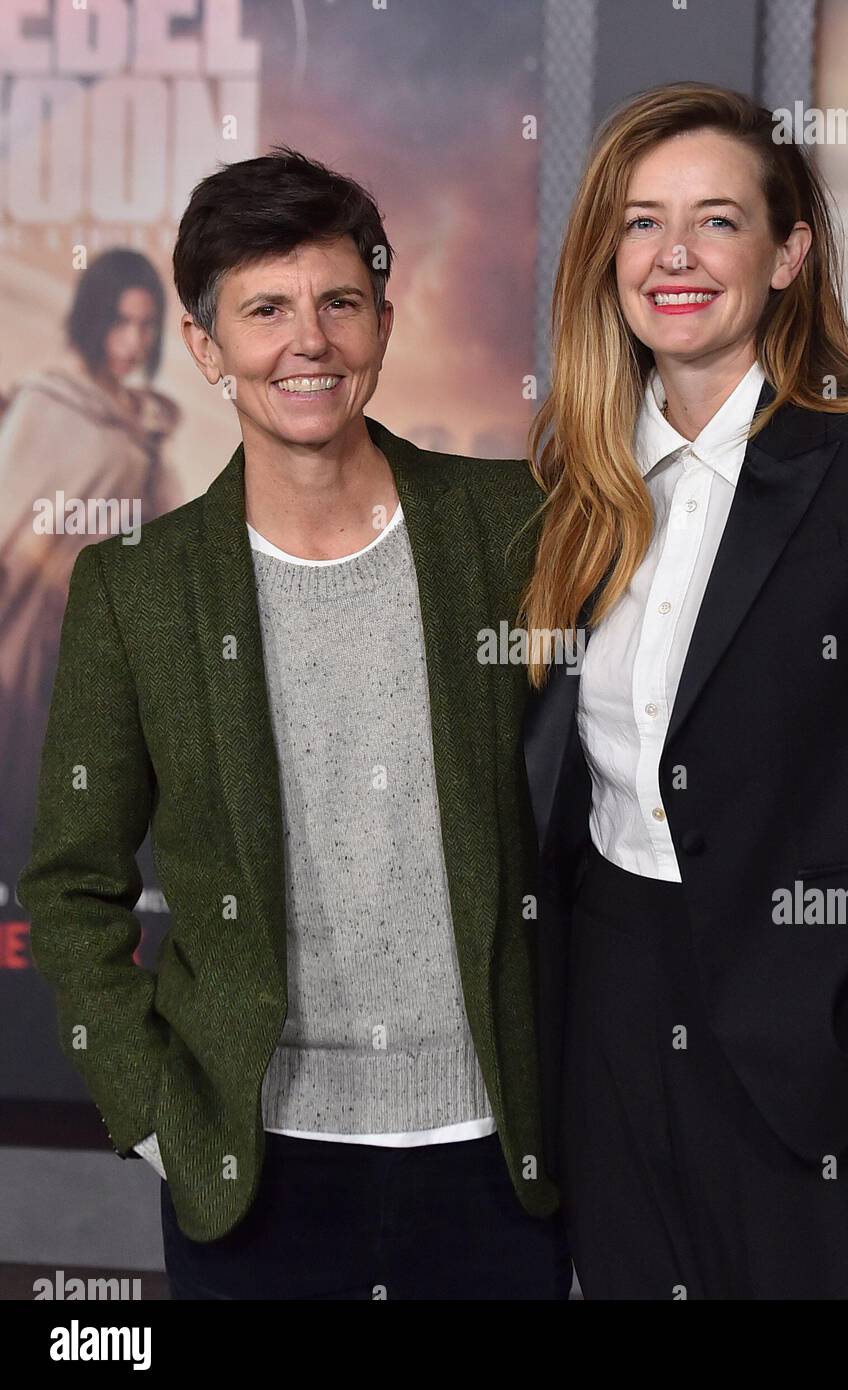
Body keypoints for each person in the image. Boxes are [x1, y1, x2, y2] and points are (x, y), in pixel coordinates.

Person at [519, 82, 848, 1300]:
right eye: (641, 220)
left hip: (820, 1037)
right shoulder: (580, 472)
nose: (674, 256)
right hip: (609, 1022)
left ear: (787, 254)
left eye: (716, 221)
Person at [18, 146, 570, 1300]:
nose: (306, 342)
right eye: (265, 309)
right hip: (251, 1167)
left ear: (381, 316)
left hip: (491, 1155)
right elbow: (71, 890)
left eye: (337, 302)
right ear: (206, 344)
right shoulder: (139, 590)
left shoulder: (507, 527)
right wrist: (160, 1117)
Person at [0, 249, 182, 878]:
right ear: (92, 319)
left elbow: (165, 531)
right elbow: (8, 520)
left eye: (147, 325)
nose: (133, 342)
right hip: (32, 634)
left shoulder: (142, 425)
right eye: (120, 322)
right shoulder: (48, 403)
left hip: (105, 639)